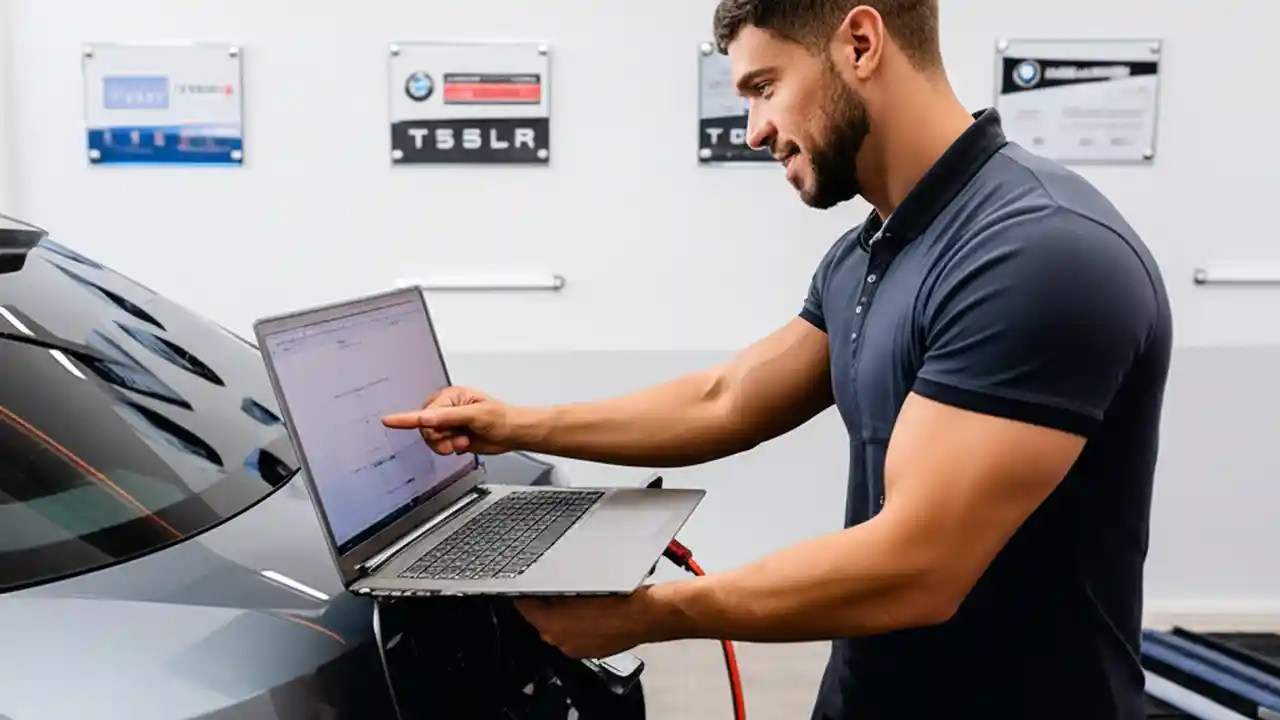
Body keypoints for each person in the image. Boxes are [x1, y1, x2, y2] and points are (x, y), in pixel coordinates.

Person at [382, 1, 1173, 717]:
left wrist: (650, 613)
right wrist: (510, 423)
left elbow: (917, 565)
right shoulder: (874, 250)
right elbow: (726, 401)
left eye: (764, 87)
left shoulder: (1037, 253)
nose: (753, 129)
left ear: (860, 43)